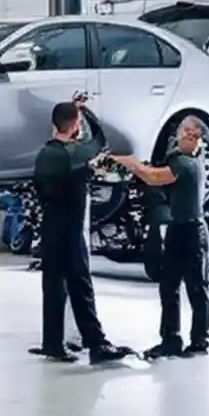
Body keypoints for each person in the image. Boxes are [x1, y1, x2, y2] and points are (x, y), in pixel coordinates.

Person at [28, 97, 132, 365]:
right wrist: (86, 111)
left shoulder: (44, 155)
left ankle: (52, 343)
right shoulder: (75, 154)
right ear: (75, 125)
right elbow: (100, 141)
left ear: (53, 124)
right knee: (81, 286)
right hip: (71, 234)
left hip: (49, 231)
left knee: (52, 287)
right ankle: (96, 344)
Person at [114, 116, 209, 359]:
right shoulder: (189, 161)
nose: (186, 136)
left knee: (194, 288)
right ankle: (172, 340)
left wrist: (129, 162)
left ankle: (197, 341)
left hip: (190, 232)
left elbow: (153, 177)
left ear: (198, 138)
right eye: (184, 131)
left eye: (192, 133)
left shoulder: (186, 164)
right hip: (180, 229)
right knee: (170, 287)